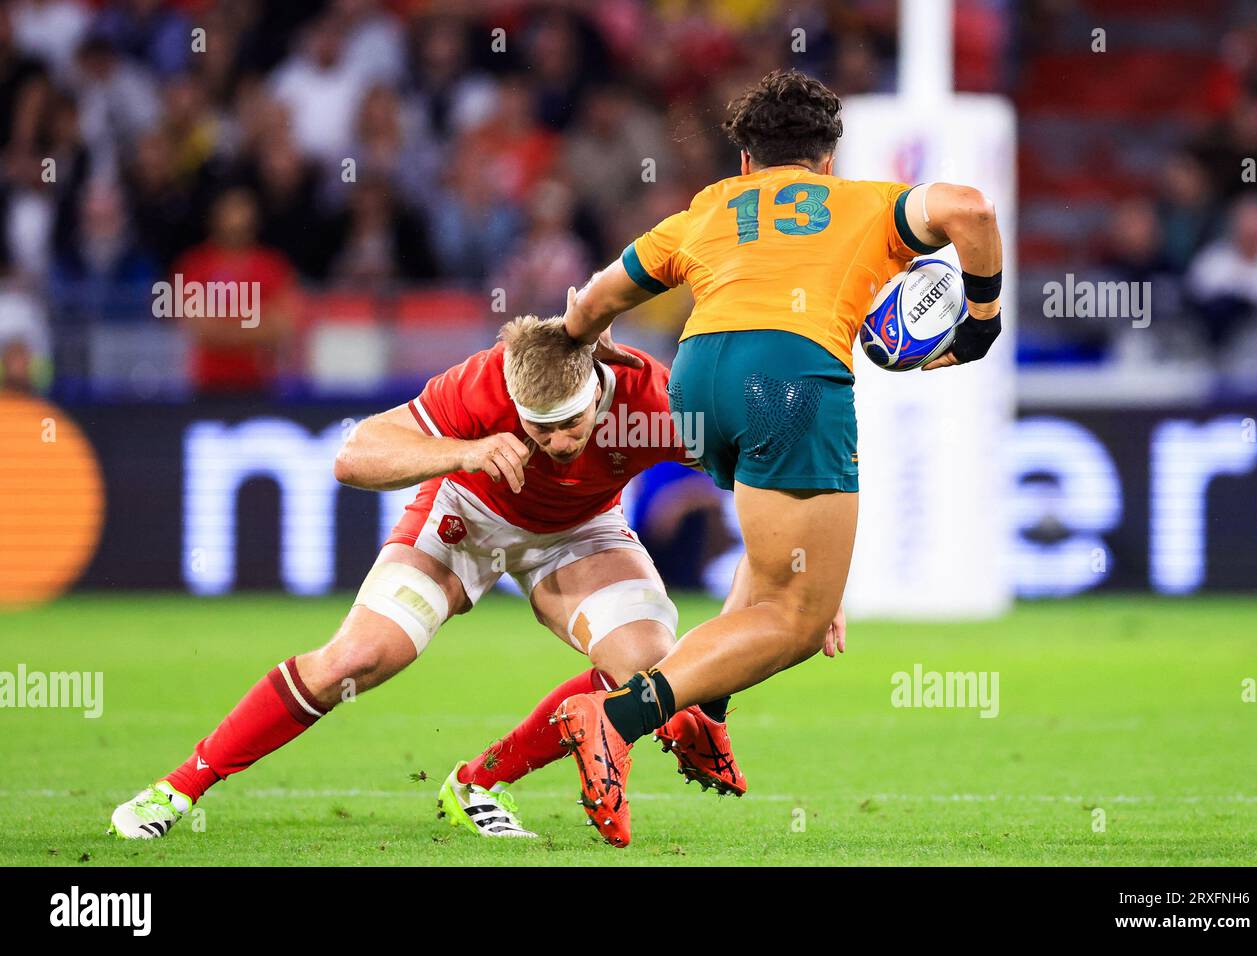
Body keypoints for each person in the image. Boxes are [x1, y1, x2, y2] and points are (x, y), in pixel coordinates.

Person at [555, 69, 1005, 847]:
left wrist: (566, 356)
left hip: (695, 384)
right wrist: (982, 320)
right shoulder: (867, 201)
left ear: (745, 163)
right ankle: (617, 716)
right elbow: (972, 208)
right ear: (827, 161)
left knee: (774, 580)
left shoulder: (707, 210)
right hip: (791, 377)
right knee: (798, 620)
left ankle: (708, 711)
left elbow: (592, 303)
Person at [109, 316, 745, 841]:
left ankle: (477, 785)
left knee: (650, 664)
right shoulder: (481, 384)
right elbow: (353, 454)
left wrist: (803, 583)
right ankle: (177, 789)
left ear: (596, 392)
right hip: (464, 516)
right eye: (537, 426)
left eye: (569, 426)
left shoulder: (655, 399)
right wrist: (463, 453)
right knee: (353, 662)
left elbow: (760, 470)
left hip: (579, 532)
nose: (553, 442)